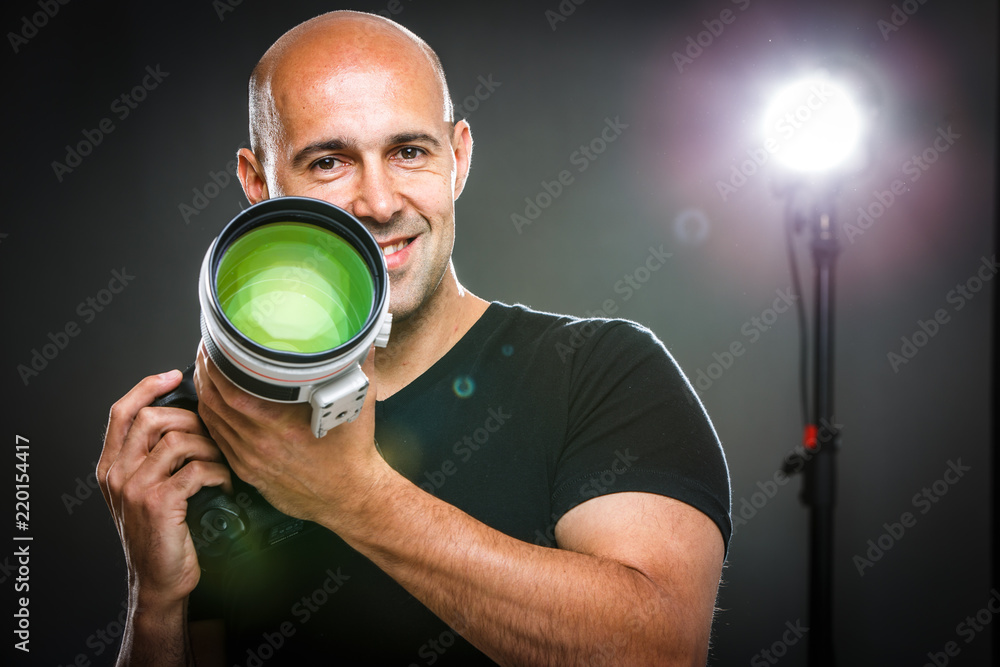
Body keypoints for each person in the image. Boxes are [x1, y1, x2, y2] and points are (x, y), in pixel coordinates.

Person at [98, 10, 731, 666]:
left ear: (458, 158)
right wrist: (155, 600)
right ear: (259, 185)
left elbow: (662, 652)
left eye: (409, 152)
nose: (379, 202)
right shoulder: (221, 426)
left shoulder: (600, 373)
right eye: (329, 161)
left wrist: (354, 496)